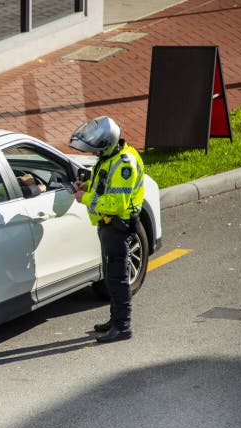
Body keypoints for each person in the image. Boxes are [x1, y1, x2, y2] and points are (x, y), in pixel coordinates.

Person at [69, 116, 145, 343]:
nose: (93, 154)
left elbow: (117, 203)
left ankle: (122, 327)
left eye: (96, 150)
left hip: (118, 226)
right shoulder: (111, 157)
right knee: (112, 278)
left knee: (118, 279)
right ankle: (115, 319)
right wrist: (86, 186)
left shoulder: (124, 164)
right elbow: (104, 184)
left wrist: (85, 197)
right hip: (108, 225)